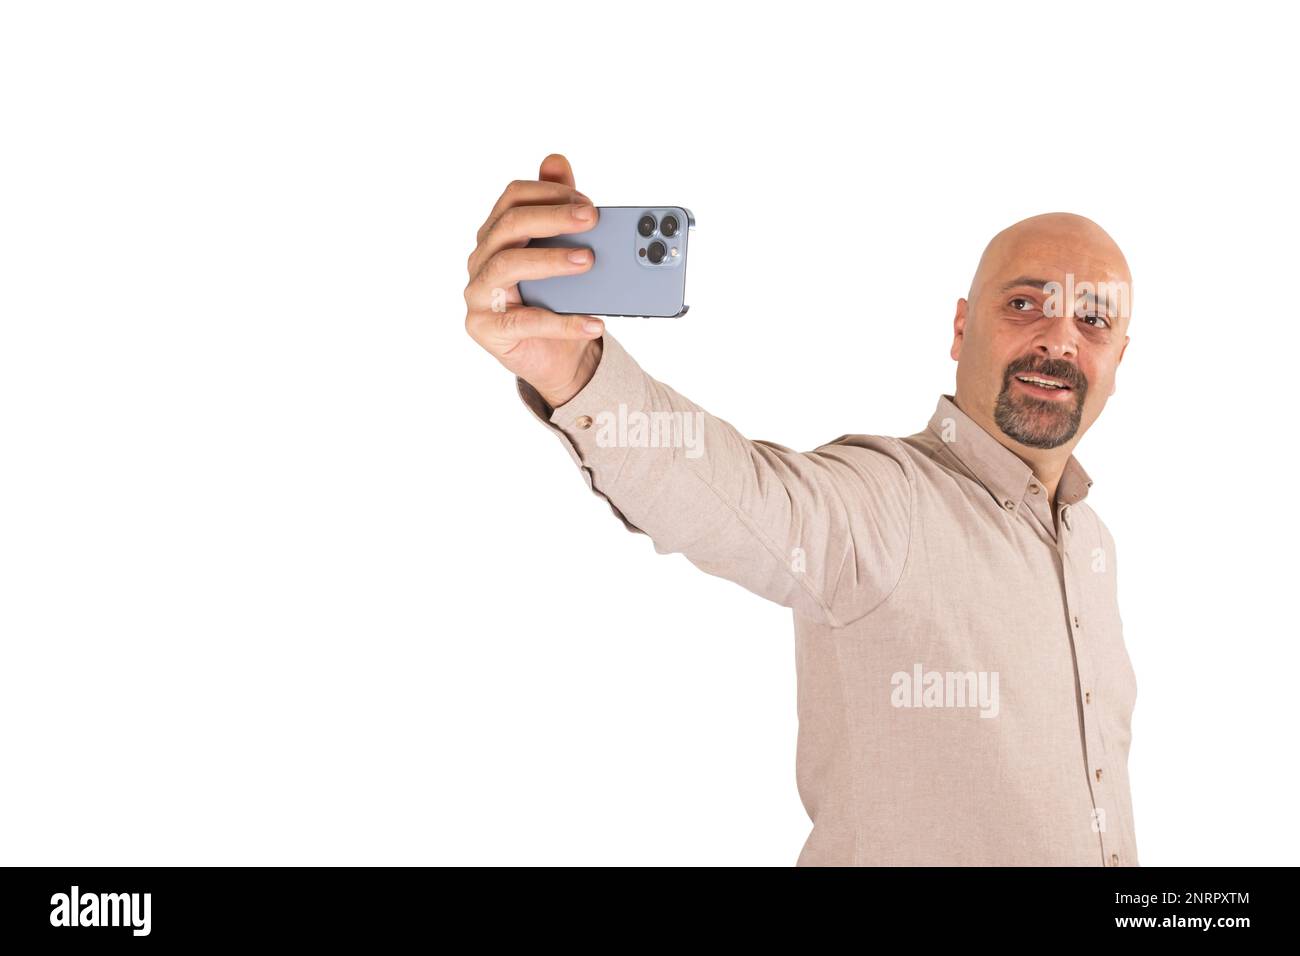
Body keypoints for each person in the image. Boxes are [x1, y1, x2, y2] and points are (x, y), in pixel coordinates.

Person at [464, 153, 1138, 866]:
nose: (1059, 339)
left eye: (1092, 319)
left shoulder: (1091, 542)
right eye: (1026, 304)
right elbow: (741, 495)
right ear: (961, 329)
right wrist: (573, 374)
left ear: (1118, 361)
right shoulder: (885, 505)